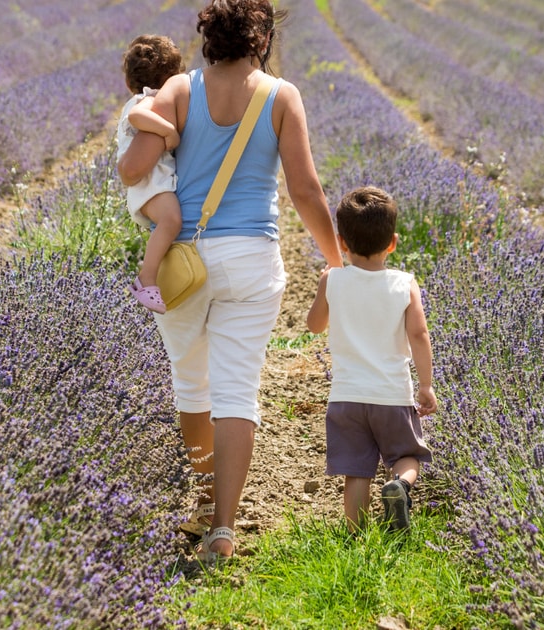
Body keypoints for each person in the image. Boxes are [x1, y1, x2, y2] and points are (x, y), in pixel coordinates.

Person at [117, 0, 343, 563]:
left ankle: (200, 495)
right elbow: (306, 192)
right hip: (251, 259)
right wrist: (335, 260)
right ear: (260, 39)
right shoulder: (281, 96)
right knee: (237, 391)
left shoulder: (178, 91)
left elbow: (137, 164)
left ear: (206, 37)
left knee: (191, 385)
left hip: (184, 260)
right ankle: (223, 526)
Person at [306, 186, 436, 532]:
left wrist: (325, 287)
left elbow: (314, 326)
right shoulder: (404, 284)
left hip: (346, 397)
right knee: (407, 455)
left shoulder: (333, 280)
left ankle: (355, 536)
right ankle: (400, 486)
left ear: (342, 242)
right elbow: (419, 336)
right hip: (391, 394)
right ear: (392, 243)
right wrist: (426, 385)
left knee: (357, 469)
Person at [116, 34, 185, 314]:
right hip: (149, 182)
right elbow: (137, 117)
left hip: (152, 181)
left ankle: (150, 278)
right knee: (171, 220)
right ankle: (146, 279)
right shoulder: (147, 100)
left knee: (169, 223)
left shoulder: (145, 98)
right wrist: (168, 131)